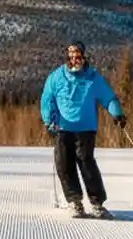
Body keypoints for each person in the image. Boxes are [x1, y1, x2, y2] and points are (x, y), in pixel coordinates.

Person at [39, 41, 126, 219]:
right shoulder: (56, 77)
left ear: (84, 56)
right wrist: (49, 121)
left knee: (86, 162)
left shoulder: (93, 78)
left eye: (77, 55)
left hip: (86, 128)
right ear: (67, 57)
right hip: (63, 128)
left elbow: (108, 97)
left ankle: (97, 203)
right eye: (71, 55)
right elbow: (47, 100)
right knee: (64, 164)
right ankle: (74, 202)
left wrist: (117, 113)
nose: (74, 59)